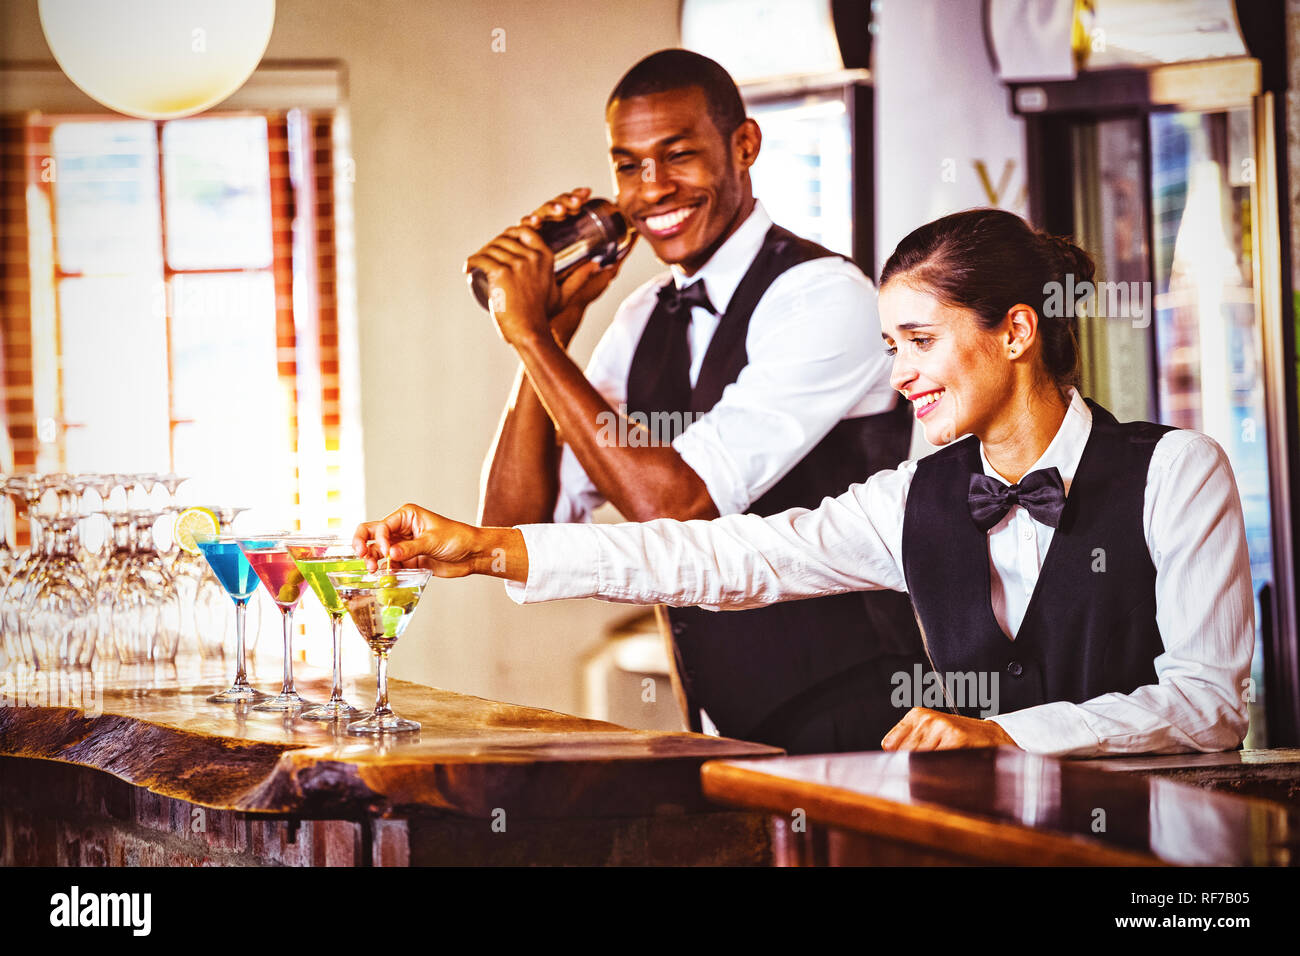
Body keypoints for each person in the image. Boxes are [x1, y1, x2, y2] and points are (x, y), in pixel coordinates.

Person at [360, 207, 1254, 757]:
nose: (901, 373)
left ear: (1017, 332)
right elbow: (722, 556)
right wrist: (489, 549)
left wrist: (1007, 731)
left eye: (921, 340)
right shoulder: (917, 495)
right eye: (889, 347)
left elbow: (1209, 706)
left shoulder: (1176, 473)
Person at [465, 48, 925, 754]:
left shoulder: (826, 295)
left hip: (867, 713)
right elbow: (513, 527)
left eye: (677, 155)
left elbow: (677, 507)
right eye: (628, 165)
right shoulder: (641, 315)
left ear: (744, 146)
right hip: (720, 721)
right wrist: (549, 334)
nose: (651, 190)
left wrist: (531, 337)